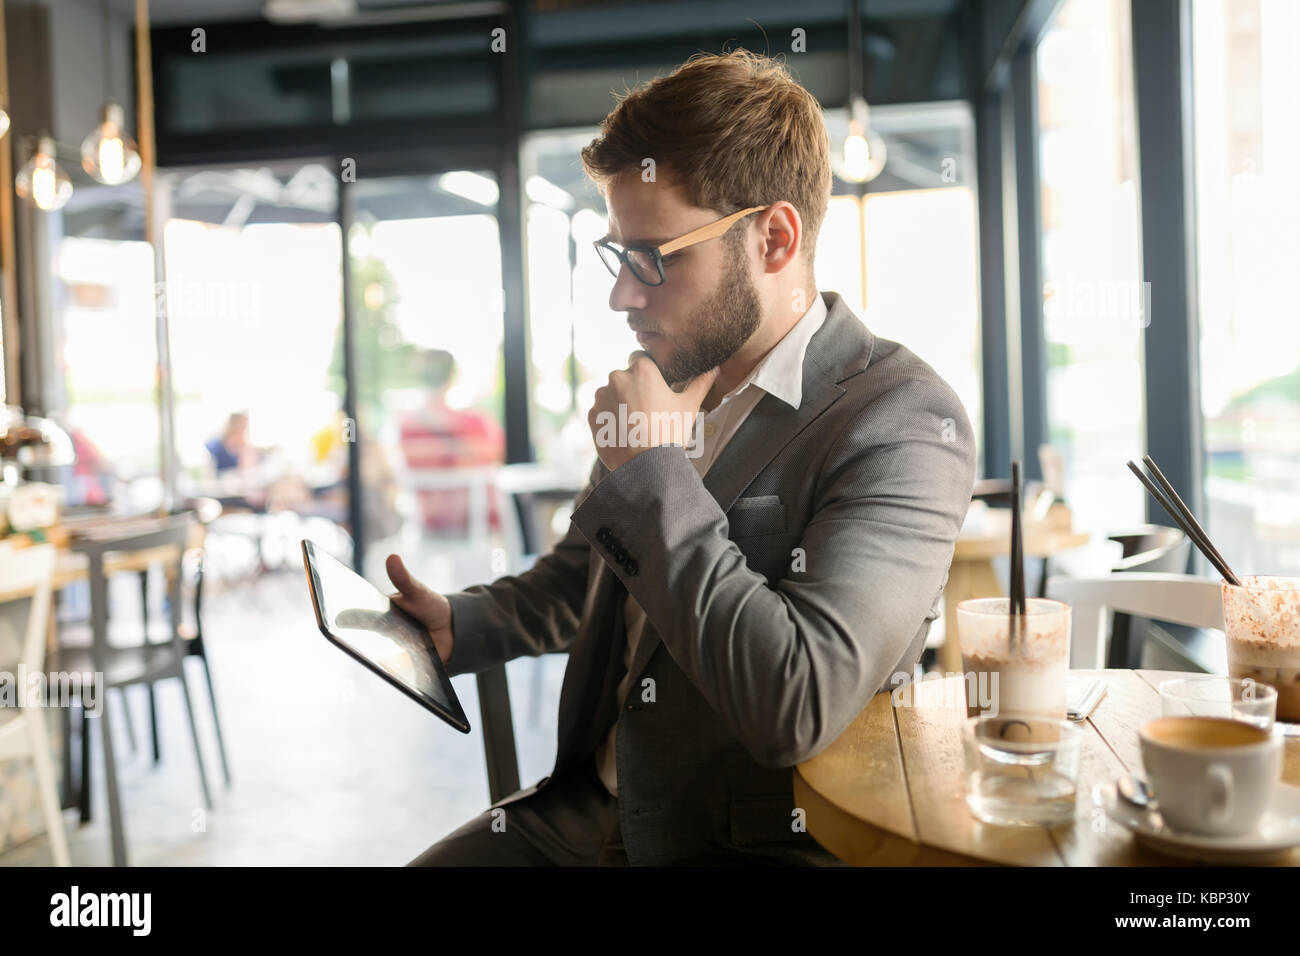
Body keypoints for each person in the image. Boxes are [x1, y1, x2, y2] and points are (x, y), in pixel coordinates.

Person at [388, 49, 977, 866]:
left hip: (736, 841)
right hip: (587, 813)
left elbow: (795, 701)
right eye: (619, 256)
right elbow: (589, 575)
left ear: (774, 239)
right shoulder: (672, 377)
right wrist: (468, 624)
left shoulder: (902, 418)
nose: (622, 295)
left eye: (653, 259)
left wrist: (653, 473)